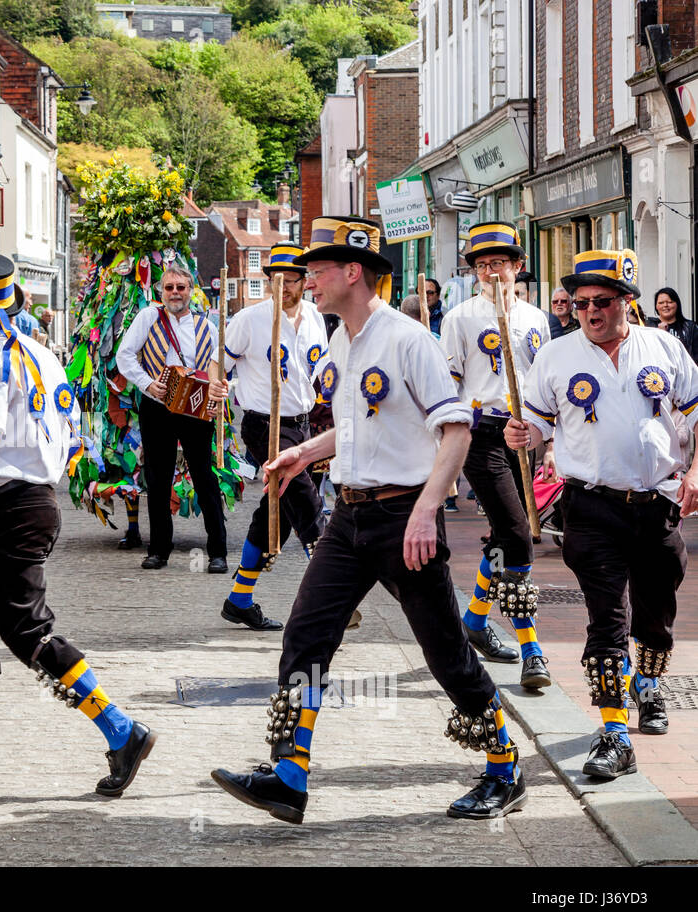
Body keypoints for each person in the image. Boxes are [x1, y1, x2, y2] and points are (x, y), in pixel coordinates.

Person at [211, 216, 526, 823]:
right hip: (349, 519)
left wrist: (428, 511)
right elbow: (355, 427)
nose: (307, 279)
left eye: (317, 269)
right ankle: (288, 775)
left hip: (405, 517)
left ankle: (504, 765)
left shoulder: (409, 339)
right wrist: (307, 451)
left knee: (444, 652)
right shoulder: (341, 339)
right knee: (306, 634)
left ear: (352, 271)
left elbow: (456, 430)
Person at [0, 252, 156, 796]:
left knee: (30, 633)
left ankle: (121, 730)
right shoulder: (41, 354)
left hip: (8, 509)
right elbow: (67, 433)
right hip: (33, 500)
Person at [508, 249, 698, 773]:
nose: (590, 311)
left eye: (602, 301)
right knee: (606, 619)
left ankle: (651, 685)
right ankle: (614, 732)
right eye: (582, 302)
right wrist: (523, 432)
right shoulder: (556, 356)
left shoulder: (664, 347)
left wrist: (695, 475)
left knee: (656, 614)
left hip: (658, 502)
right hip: (590, 507)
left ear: (627, 303)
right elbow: (538, 423)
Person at [439, 222, 549, 678]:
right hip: (483, 436)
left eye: (499, 263)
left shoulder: (537, 318)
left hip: (527, 436)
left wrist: (549, 439)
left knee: (507, 534)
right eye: (482, 265)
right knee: (519, 533)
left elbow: (545, 383)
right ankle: (531, 650)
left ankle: (475, 619)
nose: (490, 272)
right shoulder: (460, 317)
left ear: (518, 267)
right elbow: (449, 387)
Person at [219, 243, 328, 631]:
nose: (281, 286)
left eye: (290, 279)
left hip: (303, 423)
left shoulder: (317, 317)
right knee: (306, 500)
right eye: (274, 279)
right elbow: (220, 367)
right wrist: (220, 385)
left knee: (275, 516)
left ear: (305, 280)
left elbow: (323, 372)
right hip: (265, 426)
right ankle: (333, 593)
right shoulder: (250, 319)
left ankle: (240, 599)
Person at [115, 260, 230, 571]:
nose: (175, 293)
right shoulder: (148, 317)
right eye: (169, 287)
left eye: (181, 287)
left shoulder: (208, 326)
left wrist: (219, 392)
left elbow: (219, 368)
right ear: (160, 291)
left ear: (191, 291)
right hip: (158, 404)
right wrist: (146, 384)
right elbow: (123, 355)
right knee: (158, 477)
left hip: (194, 405)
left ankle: (218, 552)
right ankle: (158, 550)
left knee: (204, 477)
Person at [647, 287, 698, 364]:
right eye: (661, 303)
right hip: (657, 373)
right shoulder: (649, 326)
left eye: (670, 302)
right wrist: (660, 334)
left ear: (677, 304)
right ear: (656, 307)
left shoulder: (690, 327)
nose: (665, 305)